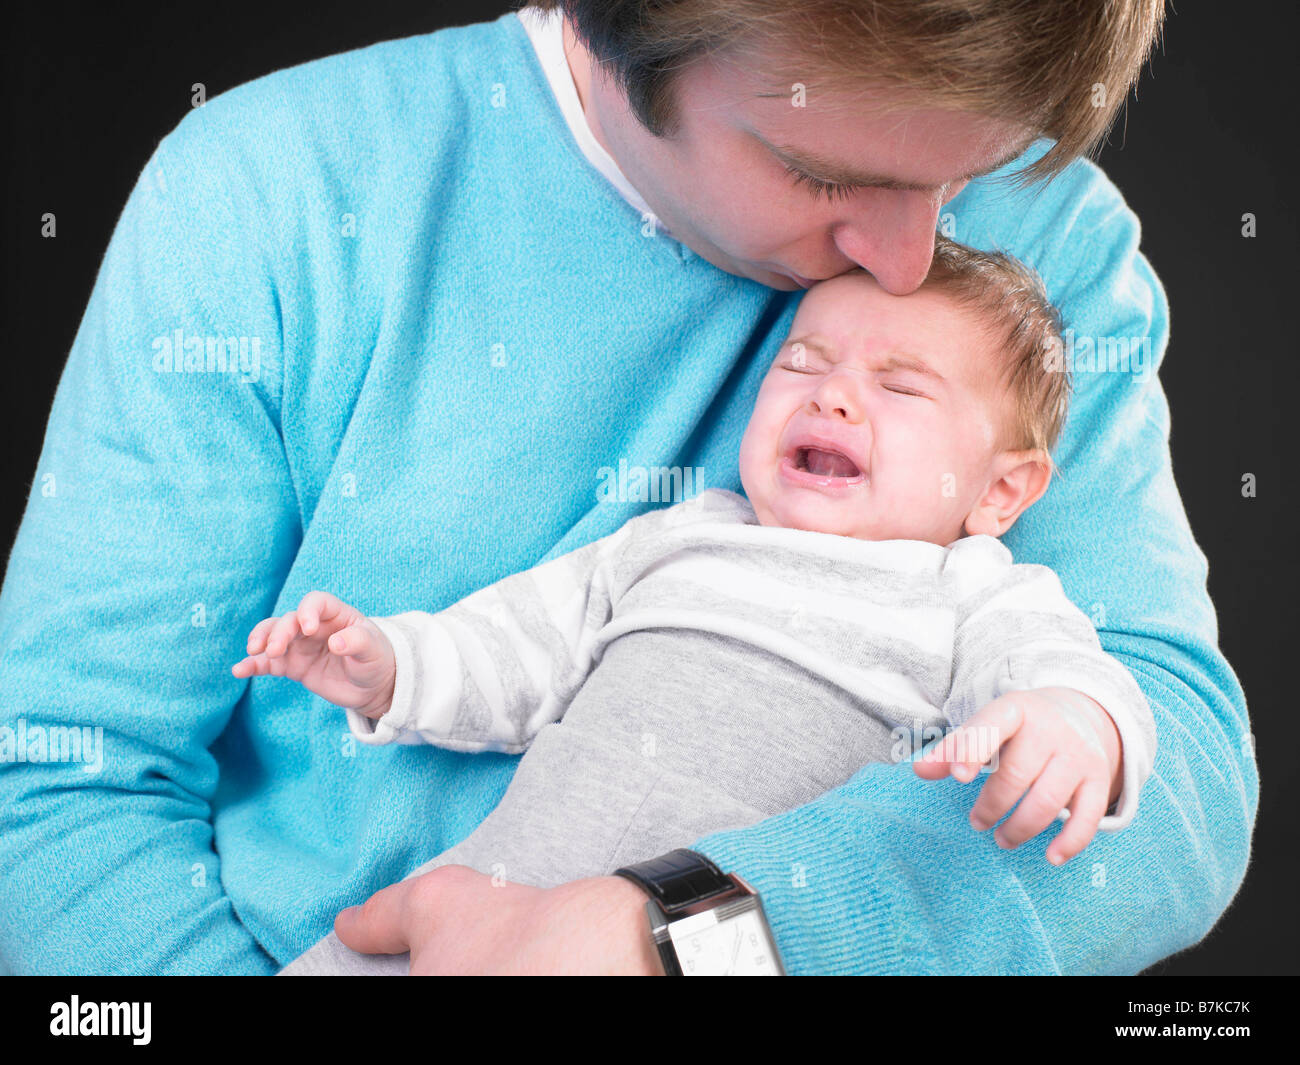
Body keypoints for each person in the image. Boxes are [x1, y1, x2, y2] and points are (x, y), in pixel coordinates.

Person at [0, 0, 1255, 976]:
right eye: (821, 175)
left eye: (962, 177)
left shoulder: (1044, 237)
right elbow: (62, 781)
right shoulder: (267, 192)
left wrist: (684, 943)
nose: (914, 256)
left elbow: (1168, 771)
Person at [232, 244, 1159, 975]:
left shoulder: (970, 589)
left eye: (901, 385)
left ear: (1001, 491)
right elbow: (514, 646)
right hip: (494, 893)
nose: (832, 394)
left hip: (697, 942)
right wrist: (387, 663)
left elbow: (1062, 668)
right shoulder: (678, 537)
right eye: (802, 363)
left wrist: (1077, 722)